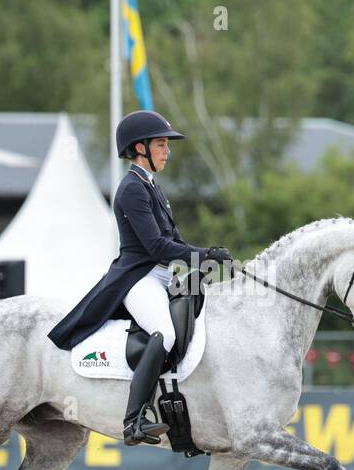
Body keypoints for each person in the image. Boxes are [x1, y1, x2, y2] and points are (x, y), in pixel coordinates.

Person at [47, 111, 233, 445]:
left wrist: (208, 263)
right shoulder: (132, 189)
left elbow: (172, 244)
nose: (167, 151)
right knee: (165, 334)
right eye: (161, 144)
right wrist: (203, 255)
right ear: (140, 148)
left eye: (166, 145)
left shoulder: (152, 187)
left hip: (163, 275)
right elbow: (158, 247)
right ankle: (133, 421)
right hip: (139, 278)